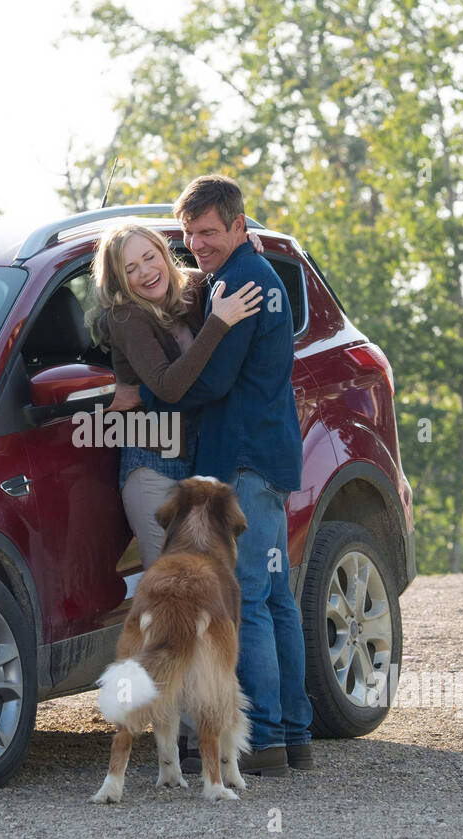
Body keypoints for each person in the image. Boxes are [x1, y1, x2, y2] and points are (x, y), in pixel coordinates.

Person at [138, 174, 313, 776]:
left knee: (252, 601)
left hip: (244, 461)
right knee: (277, 599)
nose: (197, 244)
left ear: (240, 225)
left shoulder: (242, 282)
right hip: (267, 455)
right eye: (188, 234)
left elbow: (212, 382)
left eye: (208, 232)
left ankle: (262, 740)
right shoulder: (249, 276)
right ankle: (294, 732)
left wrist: (151, 393)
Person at [90, 221, 262, 569]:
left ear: (164, 253)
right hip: (154, 465)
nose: (145, 272)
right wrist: (218, 323)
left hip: (204, 463)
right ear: (120, 281)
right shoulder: (126, 316)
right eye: (130, 269)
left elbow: (223, 267)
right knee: (178, 588)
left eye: (150, 257)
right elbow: (168, 386)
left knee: (212, 587)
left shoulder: (193, 288)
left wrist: (244, 249)